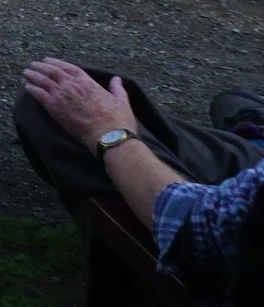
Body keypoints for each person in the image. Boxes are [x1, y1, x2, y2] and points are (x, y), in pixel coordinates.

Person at [16, 57, 264, 294]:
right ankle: (253, 139)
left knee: (54, 102)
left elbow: (195, 225)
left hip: (230, 217)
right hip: (251, 183)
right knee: (82, 89)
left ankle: (250, 140)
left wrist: (106, 129)